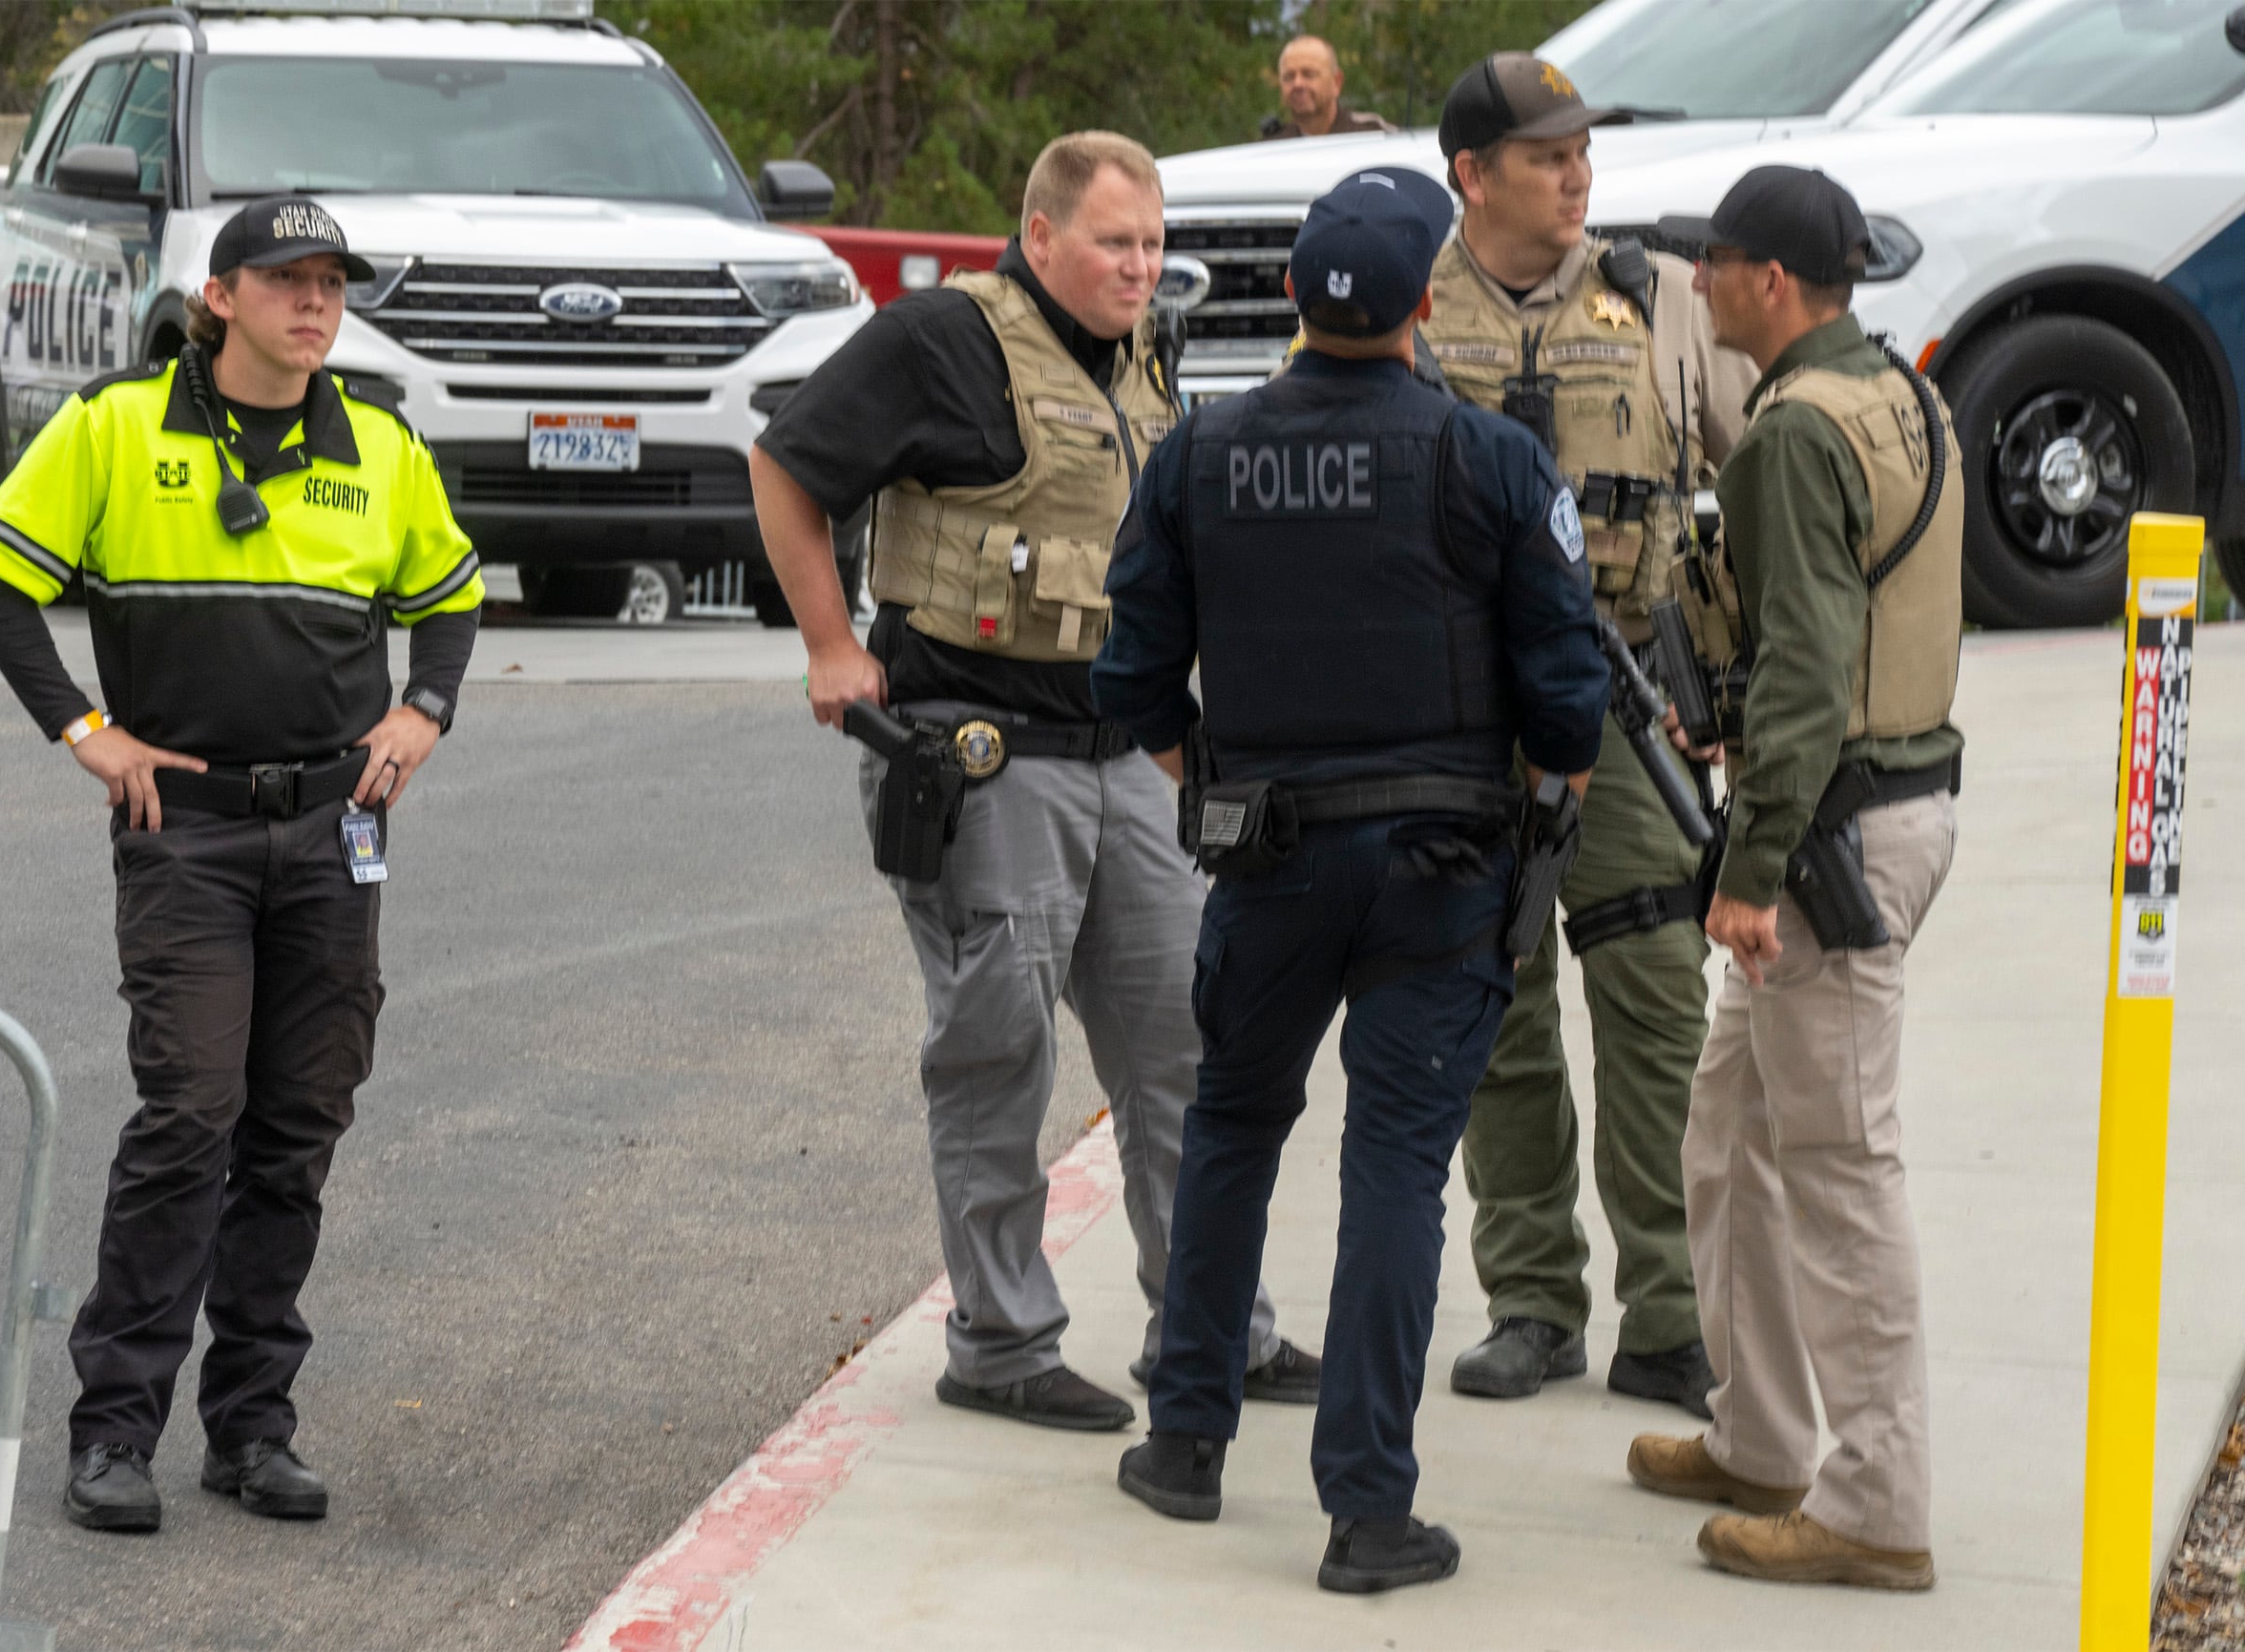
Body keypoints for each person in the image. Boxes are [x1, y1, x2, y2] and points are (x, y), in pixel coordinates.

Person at [749, 131, 1318, 1434]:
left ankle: (1216, 1324)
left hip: (1131, 757)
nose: (1140, 266)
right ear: (1043, 233)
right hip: (988, 757)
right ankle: (1000, 1341)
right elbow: (784, 466)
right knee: (998, 1054)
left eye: (1153, 243)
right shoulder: (942, 337)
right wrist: (833, 646)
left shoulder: (1140, 356)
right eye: (1116, 243)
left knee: (1194, 1045)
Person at [1097, 168, 1607, 1593]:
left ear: (1293, 304)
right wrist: (1540, 788)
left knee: (1232, 1128)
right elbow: (1569, 699)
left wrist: (1211, 777)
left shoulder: (1200, 455)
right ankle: (1367, 1511)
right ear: (1424, 303)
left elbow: (1131, 675)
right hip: (1442, 867)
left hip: (1263, 850)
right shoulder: (1486, 457)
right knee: (1394, 1168)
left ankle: (1185, 1439)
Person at [0, 197, 483, 1533]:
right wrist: (83, 727)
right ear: (224, 295)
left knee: (297, 1124)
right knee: (189, 1114)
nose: (318, 304)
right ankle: (113, 1430)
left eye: (333, 285)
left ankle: (251, 1426)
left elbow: (453, 595)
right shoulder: (118, 430)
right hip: (181, 826)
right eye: (290, 281)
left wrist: (427, 707)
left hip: (332, 829)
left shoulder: (377, 444)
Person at [1626, 164, 1962, 1591]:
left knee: (1836, 1169)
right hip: (1892, 799)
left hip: (1827, 836)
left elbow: (1815, 668)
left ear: (1770, 280)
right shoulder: (1898, 390)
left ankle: (1876, 1503)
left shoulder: (1789, 435)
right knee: (1729, 1131)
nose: (1698, 283)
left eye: (1714, 262)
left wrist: (1751, 866)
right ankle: (1762, 1430)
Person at [1422, 52, 1755, 1417]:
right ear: (1473, 176)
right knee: (1492, 1005)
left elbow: (1769, 462)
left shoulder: (1661, 299)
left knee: (1656, 1002)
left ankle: (1671, 1313)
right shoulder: (1402, 301)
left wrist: (1743, 685)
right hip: (1459, 705)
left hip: (1628, 703)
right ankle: (1532, 1299)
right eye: (1549, 153)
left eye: (1584, 151)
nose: (1579, 176)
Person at [1259, 35, 1396, 139]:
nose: (1297, 84)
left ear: (1336, 82)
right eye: (1288, 77)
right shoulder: (1273, 149)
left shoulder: (1374, 137)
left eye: (1309, 74)